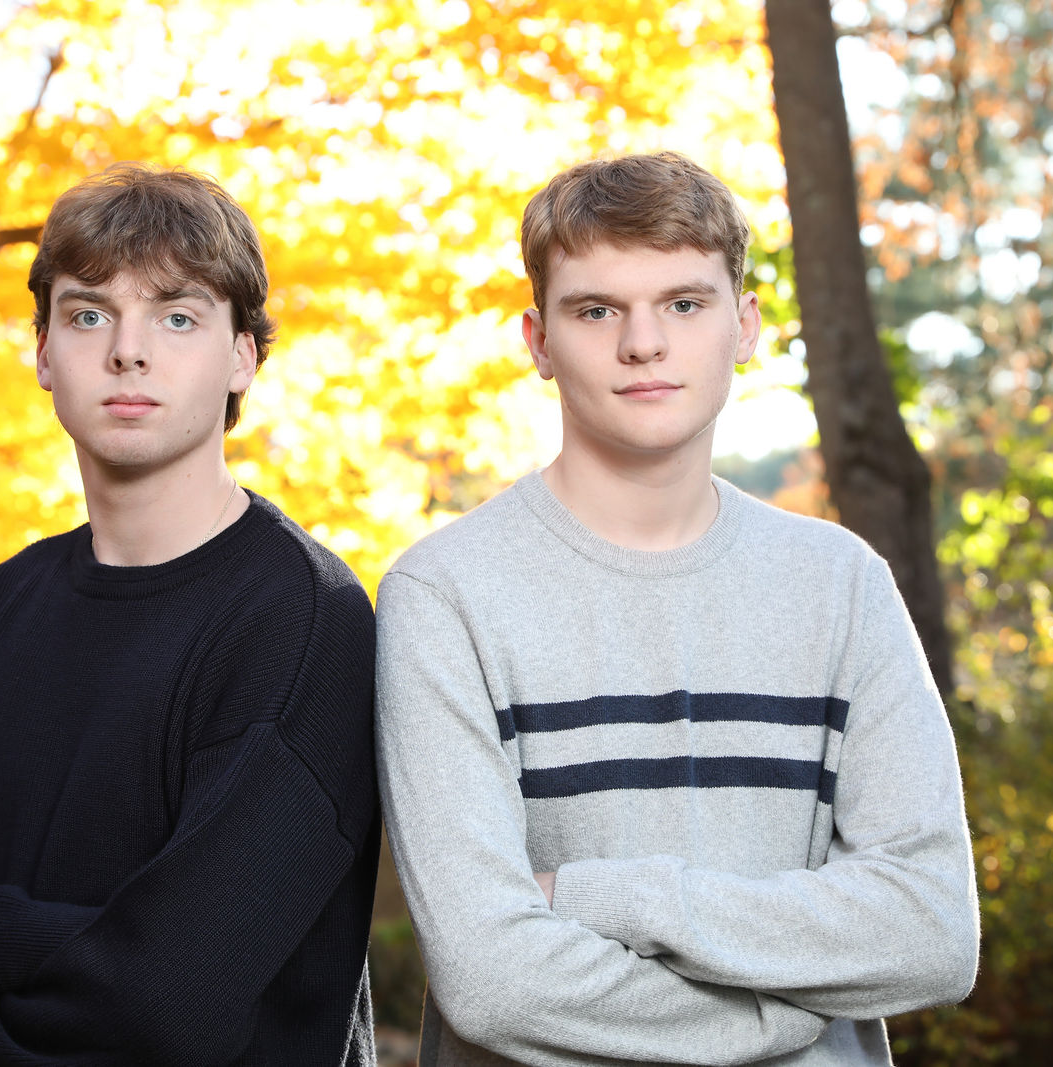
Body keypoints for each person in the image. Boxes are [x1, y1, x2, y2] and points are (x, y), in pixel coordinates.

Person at [373, 151, 979, 1066]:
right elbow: (492, 979)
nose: (643, 343)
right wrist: (778, 1020)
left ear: (746, 325)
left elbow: (931, 929)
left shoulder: (842, 583)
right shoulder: (443, 594)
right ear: (538, 341)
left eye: (685, 303)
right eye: (596, 310)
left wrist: (608, 897)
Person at [0, 163, 380, 1065]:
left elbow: (162, 1007)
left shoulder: (304, 622)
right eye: (89, 314)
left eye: (177, 316)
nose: (127, 351)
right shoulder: (6, 606)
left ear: (242, 357)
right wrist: (80, 945)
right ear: (42, 353)